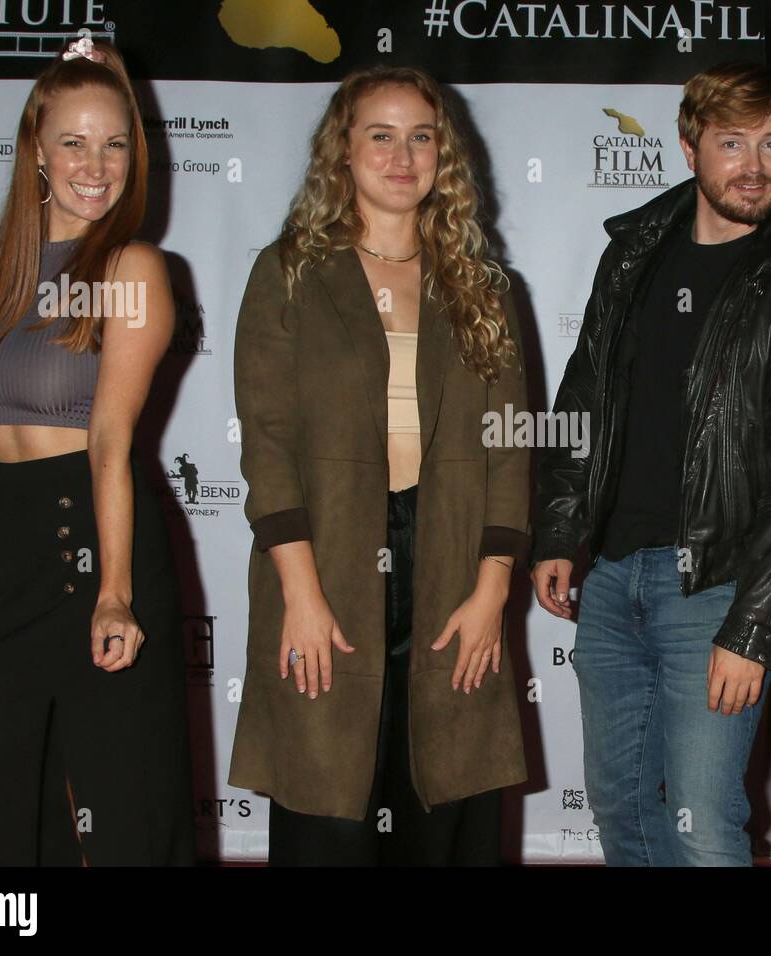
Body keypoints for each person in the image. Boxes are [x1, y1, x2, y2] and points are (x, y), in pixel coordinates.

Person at [531, 62, 771, 866]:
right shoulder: (635, 252)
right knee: (622, 816)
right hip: (608, 580)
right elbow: (586, 395)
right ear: (688, 148)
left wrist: (750, 628)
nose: (755, 165)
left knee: (706, 828)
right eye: (732, 142)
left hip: (716, 587)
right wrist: (558, 528)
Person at [0, 36, 195, 865]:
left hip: (92, 535)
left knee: (118, 808)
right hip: (6, 551)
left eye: (116, 143)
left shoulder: (132, 269)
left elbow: (109, 441)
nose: (96, 165)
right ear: (36, 149)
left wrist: (115, 593)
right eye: (74, 141)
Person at [228, 66, 530, 866]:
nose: (404, 155)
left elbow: (510, 447)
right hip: (324, 558)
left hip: (451, 558)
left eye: (421, 136)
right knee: (330, 803)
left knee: (447, 797)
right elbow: (267, 441)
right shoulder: (289, 272)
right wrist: (300, 592)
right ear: (343, 151)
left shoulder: (483, 288)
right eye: (381, 135)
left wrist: (494, 589)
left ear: (444, 155)